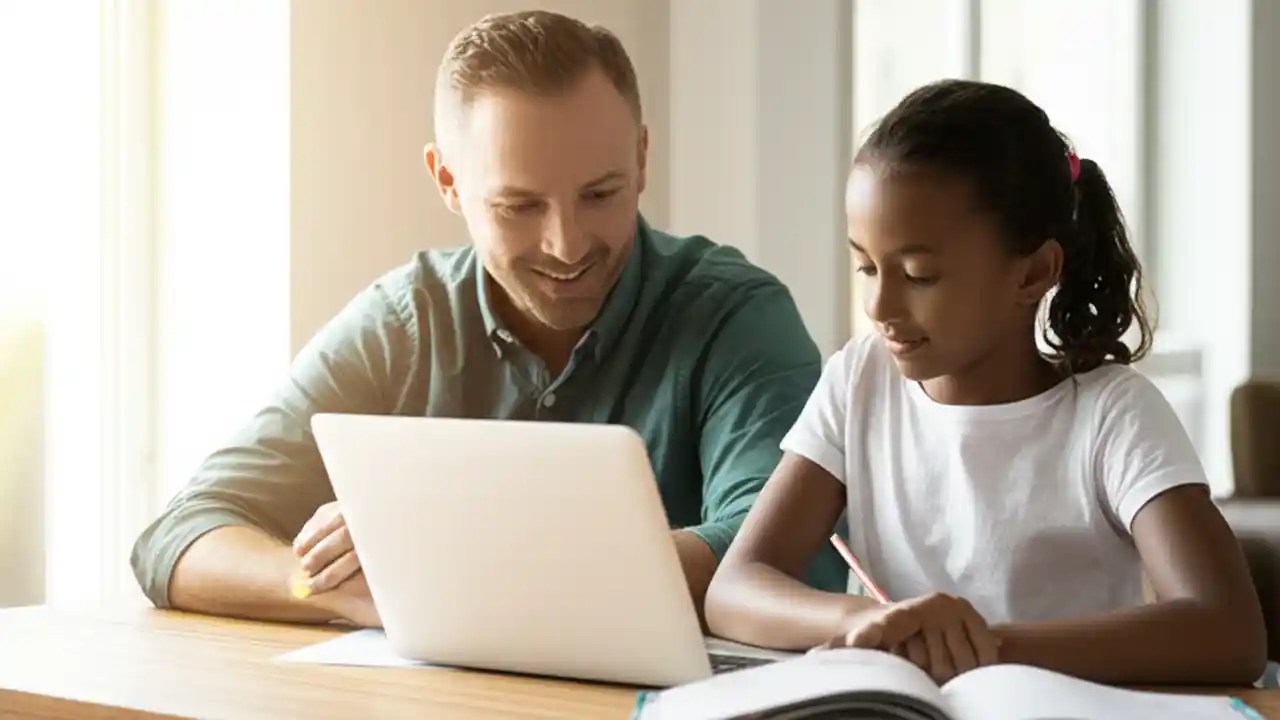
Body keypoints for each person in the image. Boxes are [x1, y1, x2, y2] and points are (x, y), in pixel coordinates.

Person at [130, 10, 844, 628]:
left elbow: (775, 556)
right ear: (447, 181)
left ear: (642, 158)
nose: (567, 245)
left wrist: (452, 566)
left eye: (600, 193)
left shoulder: (737, 316)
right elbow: (179, 536)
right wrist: (343, 590)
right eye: (519, 207)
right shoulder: (404, 322)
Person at [705, 79, 1267, 686]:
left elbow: (1229, 632)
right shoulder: (859, 381)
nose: (880, 304)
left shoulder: (1113, 415)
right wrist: (865, 621)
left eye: (919, 275)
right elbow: (734, 587)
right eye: (867, 266)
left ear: (1033, 272)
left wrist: (980, 646)